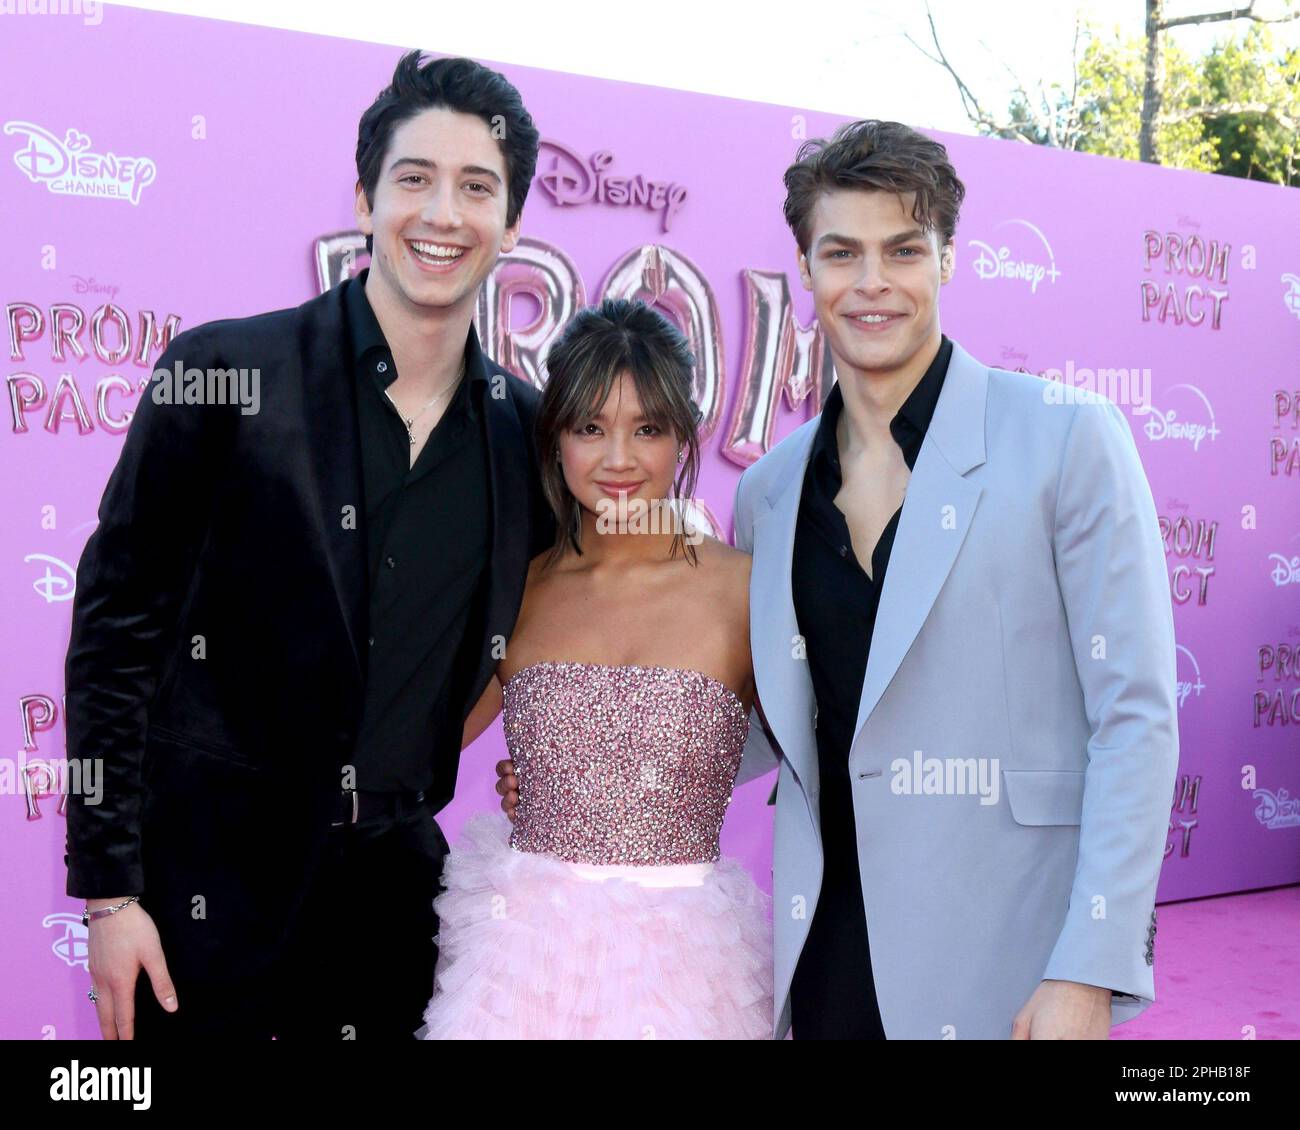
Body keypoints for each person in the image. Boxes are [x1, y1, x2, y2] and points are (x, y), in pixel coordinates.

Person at [502, 120, 1180, 1040]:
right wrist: (589, 764)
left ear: (948, 258)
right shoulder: (775, 492)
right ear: (805, 267)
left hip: (1009, 955)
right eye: (841, 252)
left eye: (902, 249)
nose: (871, 284)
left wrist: (1089, 967)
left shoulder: (1067, 438)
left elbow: (1135, 718)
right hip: (823, 953)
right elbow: (782, 718)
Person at [63, 50, 553, 1040]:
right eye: (414, 178)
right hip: (194, 910)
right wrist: (111, 898)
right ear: (367, 194)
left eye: (477, 187)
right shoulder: (224, 371)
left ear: (511, 225)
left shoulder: (526, 437)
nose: (442, 213)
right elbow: (114, 638)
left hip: (391, 918)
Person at [419, 298, 772, 1039]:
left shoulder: (749, 589)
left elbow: (829, 750)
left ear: (683, 435)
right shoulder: (519, 591)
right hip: (520, 964)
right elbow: (412, 746)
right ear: (554, 440)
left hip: (687, 973)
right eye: (589, 428)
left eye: (647, 428)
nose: (618, 460)